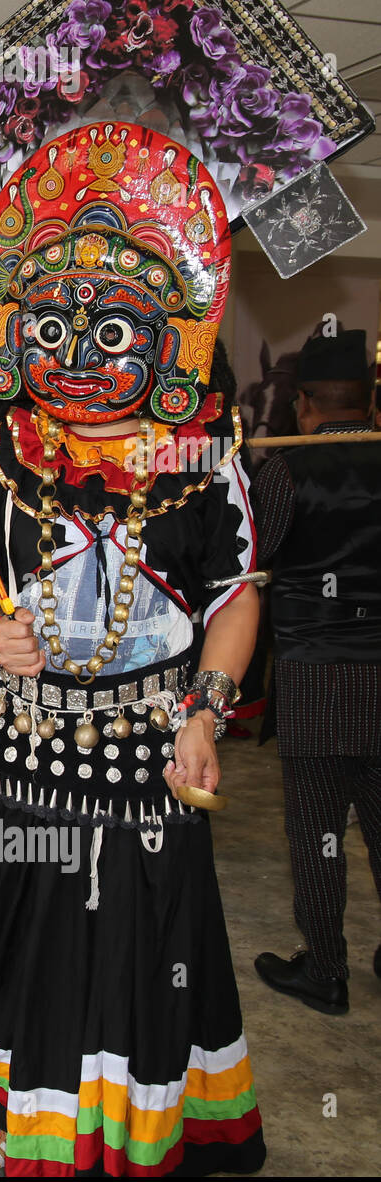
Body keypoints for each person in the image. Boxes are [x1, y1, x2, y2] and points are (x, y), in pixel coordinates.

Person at [0, 123, 266, 1177]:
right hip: (18, 752)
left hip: (146, 753)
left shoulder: (205, 457)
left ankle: (125, 1122)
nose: (72, 355)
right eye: (52, 328)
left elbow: (237, 594)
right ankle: (2, 1104)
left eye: (109, 332)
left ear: (166, 339)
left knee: (133, 946)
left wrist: (206, 707)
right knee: (10, 926)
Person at [253, 328, 381, 1013]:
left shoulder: (288, 472)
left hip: (318, 680)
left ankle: (326, 972)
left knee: (318, 833)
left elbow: (254, 564)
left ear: (303, 402)